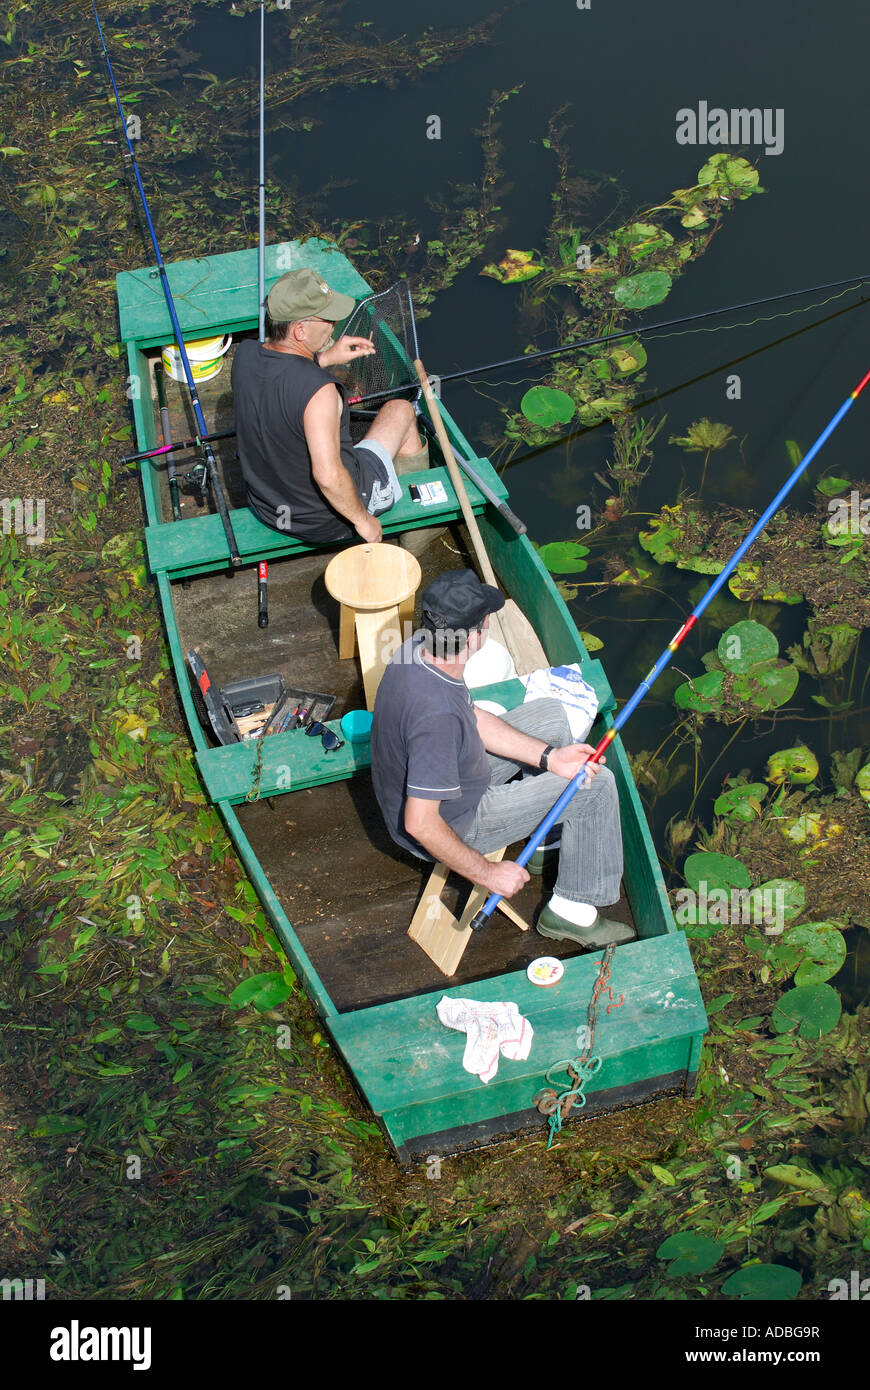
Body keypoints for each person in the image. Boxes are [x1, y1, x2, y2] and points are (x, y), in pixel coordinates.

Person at [370, 569, 636, 947]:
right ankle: (571, 911)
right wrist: (488, 874)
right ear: (476, 636)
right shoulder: (435, 717)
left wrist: (550, 757)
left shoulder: (421, 649)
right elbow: (421, 824)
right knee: (596, 787)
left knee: (550, 715)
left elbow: (472, 717)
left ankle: (547, 841)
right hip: (457, 820)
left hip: (459, 776)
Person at [231, 267, 426, 545]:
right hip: (324, 522)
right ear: (300, 330)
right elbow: (328, 476)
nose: (333, 325)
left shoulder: (246, 354)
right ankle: (420, 530)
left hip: (268, 509)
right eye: (328, 319)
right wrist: (364, 521)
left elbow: (281, 380)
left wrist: (322, 358)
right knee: (401, 410)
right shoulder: (320, 392)